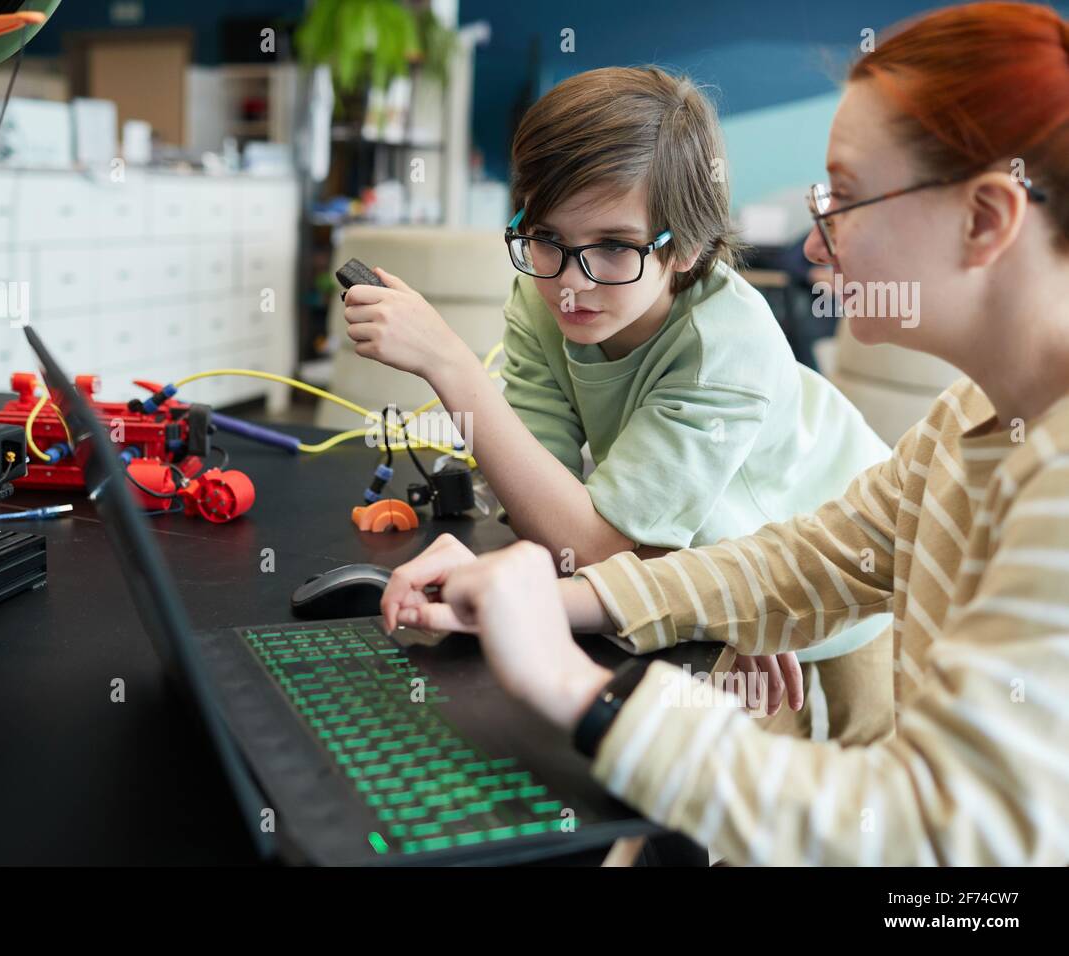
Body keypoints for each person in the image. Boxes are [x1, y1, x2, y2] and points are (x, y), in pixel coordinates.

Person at [379, 1, 1069, 864]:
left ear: (985, 220)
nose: (815, 251)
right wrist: (528, 598)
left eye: (846, 201)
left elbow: (930, 836)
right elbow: (797, 563)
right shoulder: (960, 423)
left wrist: (574, 688)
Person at [343, 65, 892, 738]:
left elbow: (594, 546)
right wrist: (508, 568)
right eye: (545, 237)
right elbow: (541, 497)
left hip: (830, 593)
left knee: (820, 809)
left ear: (687, 246)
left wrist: (447, 362)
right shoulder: (545, 294)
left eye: (612, 247)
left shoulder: (723, 344)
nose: (571, 284)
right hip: (689, 578)